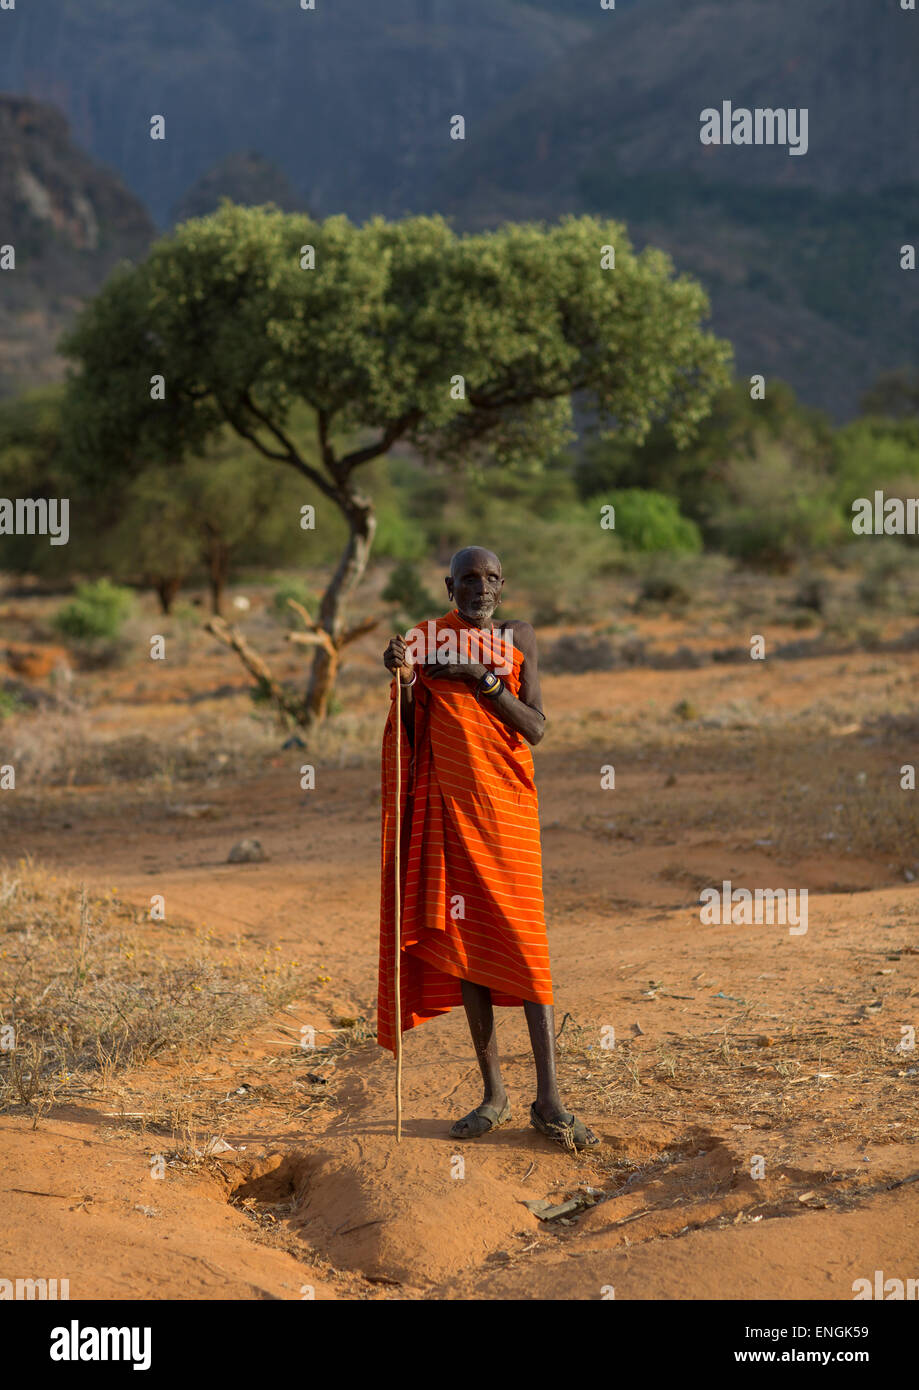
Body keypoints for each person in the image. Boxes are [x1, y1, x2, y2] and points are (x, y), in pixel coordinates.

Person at [378, 545, 597, 1151]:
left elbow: (536, 726)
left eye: (491, 578)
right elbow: (416, 735)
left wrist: (482, 678)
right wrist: (401, 677)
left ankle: (550, 1099)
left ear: (503, 585)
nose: (480, 587)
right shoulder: (424, 641)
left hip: (507, 812)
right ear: (449, 586)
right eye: (468, 578)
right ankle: (494, 1094)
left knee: (527, 947)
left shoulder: (518, 636)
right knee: (466, 942)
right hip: (447, 809)